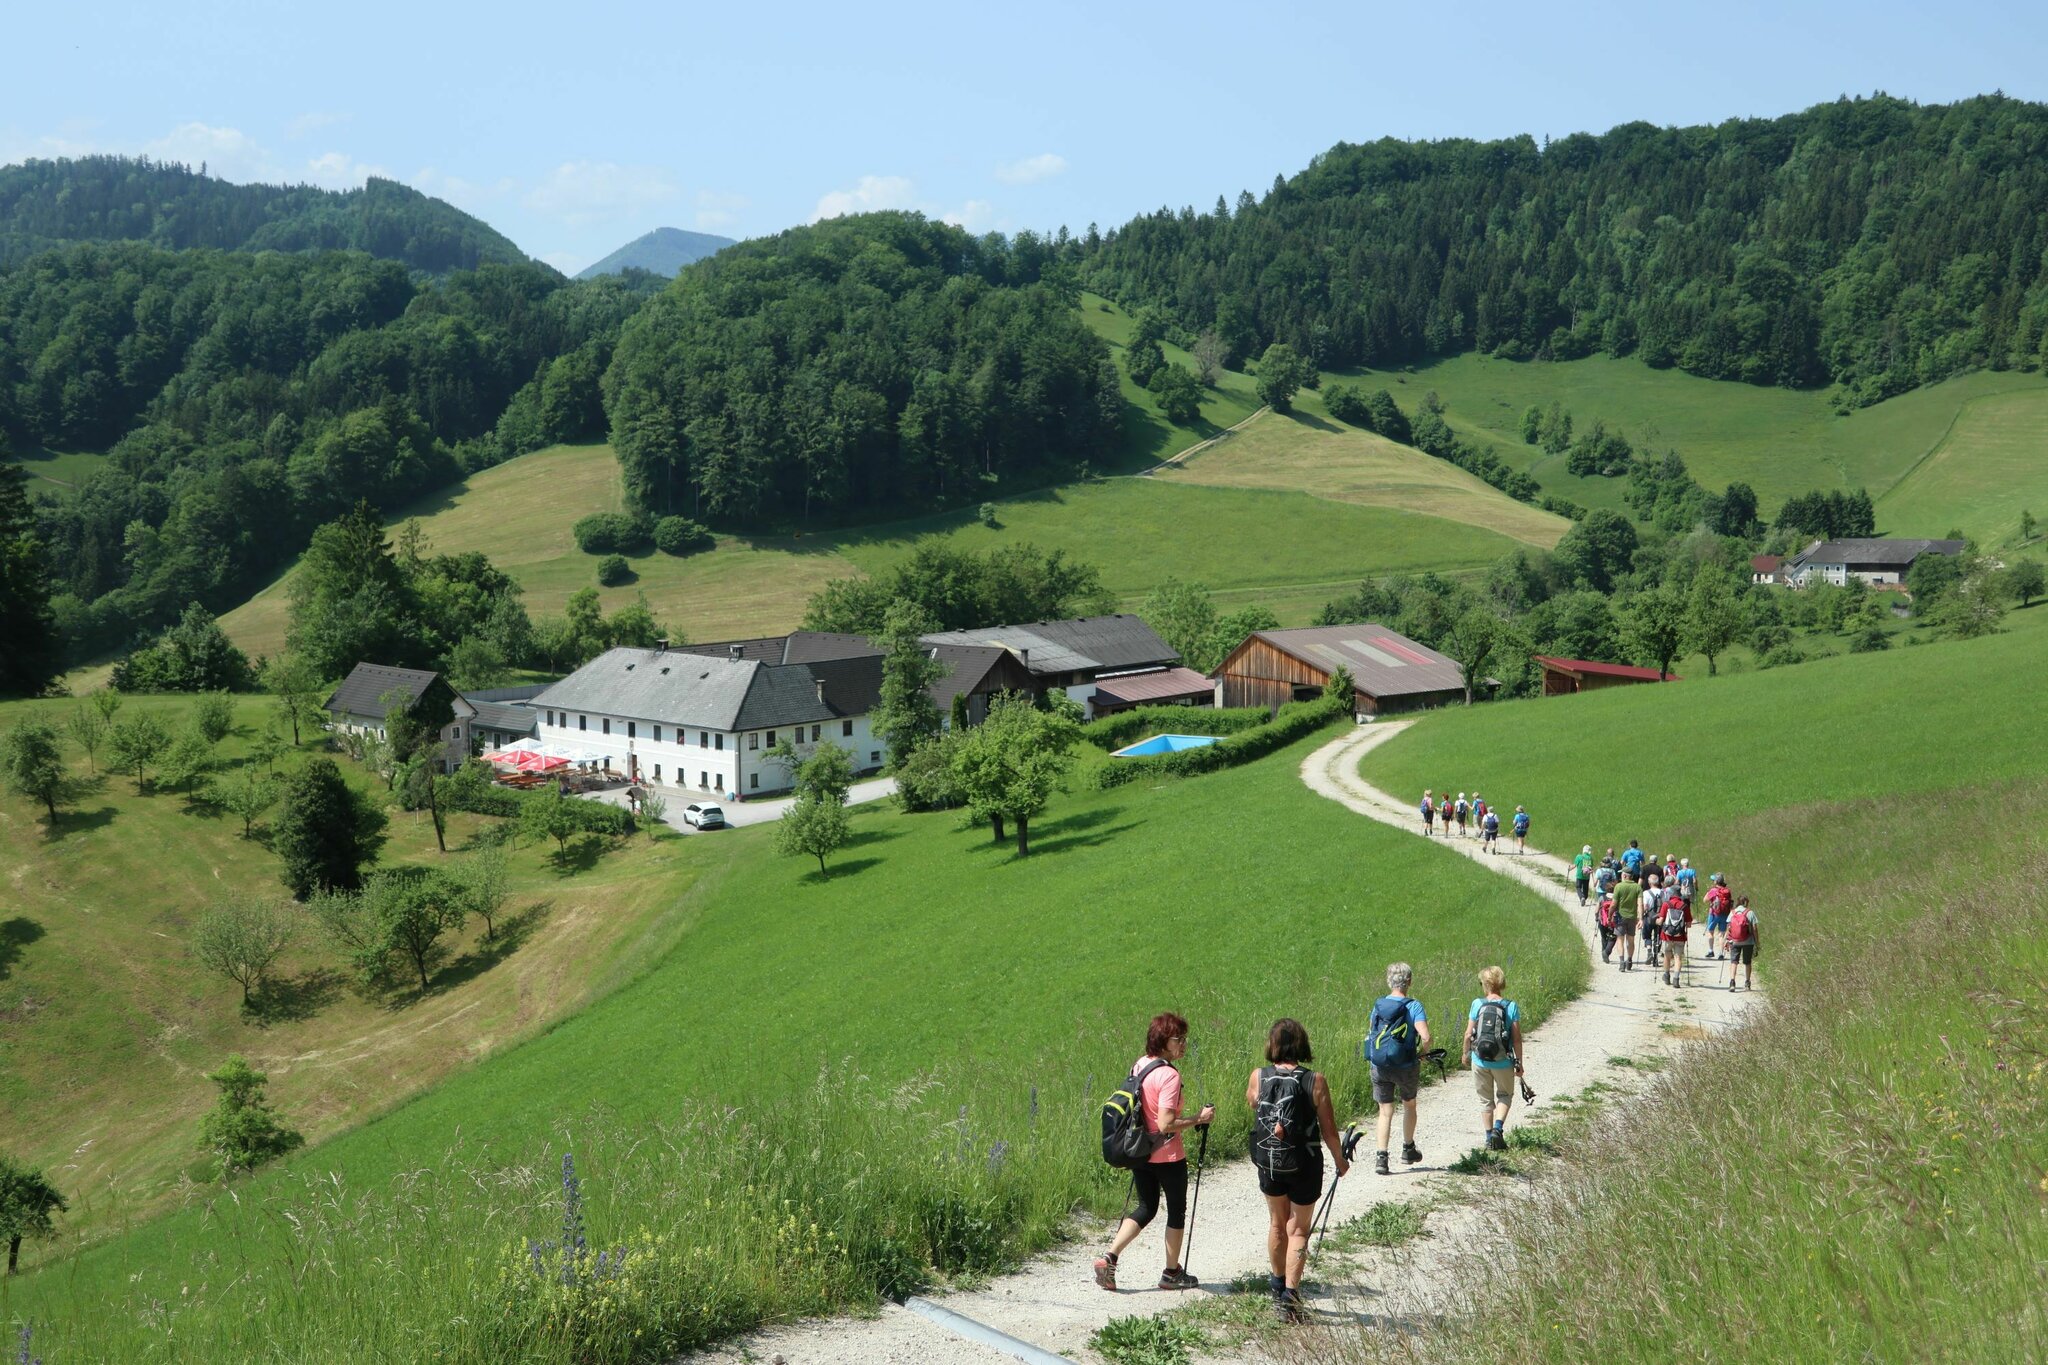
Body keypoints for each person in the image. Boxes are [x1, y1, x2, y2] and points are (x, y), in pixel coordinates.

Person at [1093, 1013, 1216, 1292]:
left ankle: (1110, 1257)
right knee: (1176, 1212)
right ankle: (1171, 1273)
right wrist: (1199, 1118)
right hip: (1168, 1156)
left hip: (1140, 1152)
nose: (1183, 1044)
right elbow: (1166, 1123)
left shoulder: (1141, 1064)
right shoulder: (1169, 1075)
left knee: (1146, 1207)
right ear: (1163, 1041)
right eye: (1178, 1039)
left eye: (1185, 1039)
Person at [1248, 1018, 1348, 1320]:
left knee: (1277, 1225)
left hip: (1269, 1162)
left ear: (1272, 1045)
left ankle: (1276, 1287)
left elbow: (1255, 1105)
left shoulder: (1258, 1076)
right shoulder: (1315, 1080)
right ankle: (1291, 1297)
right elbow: (1329, 1131)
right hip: (1305, 1161)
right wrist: (1340, 1161)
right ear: (1301, 1044)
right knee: (1299, 1229)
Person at [1366, 963, 1432, 1176]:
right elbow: (1426, 1037)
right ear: (1409, 982)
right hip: (1405, 1065)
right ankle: (1407, 1148)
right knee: (1409, 1105)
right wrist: (1422, 1053)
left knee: (1385, 1111)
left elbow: (1372, 1032)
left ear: (1389, 981)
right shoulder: (1414, 1006)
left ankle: (1381, 1158)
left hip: (1379, 1065)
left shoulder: (1378, 1005)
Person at [1462, 966, 1526, 1151]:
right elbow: (1516, 1038)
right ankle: (1498, 1128)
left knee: (1485, 1100)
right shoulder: (1510, 1006)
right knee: (1505, 1095)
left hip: (1480, 1059)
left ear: (1485, 984)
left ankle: (1489, 1137)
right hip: (1503, 1061)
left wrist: (1466, 1054)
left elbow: (1468, 1034)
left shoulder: (1477, 1004)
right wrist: (1519, 1062)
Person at [1657, 881, 1693, 987]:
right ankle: (1676, 978)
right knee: (1678, 957)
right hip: (1680, 936)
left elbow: (1660, 921)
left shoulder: (1666, 904)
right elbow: (1689, 924)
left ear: (1671, 893)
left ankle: (1667, 975)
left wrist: (1656, 922)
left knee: (1667, 955)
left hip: (1667, 935)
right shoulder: (1684, 906)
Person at [1725, 896, 1760, 991]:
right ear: (1746, 903)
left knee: (1734, 962)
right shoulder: (1750, 913)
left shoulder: (1732, 912)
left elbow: (1728, 928)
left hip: (1734, 941)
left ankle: (1732, 982)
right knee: (1747, 962)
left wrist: (1726, 941)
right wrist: (1757, 943)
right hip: (1748, 941)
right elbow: (1755, 929)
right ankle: (1747, 983)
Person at [1612, 870, 1642, 971]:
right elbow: (1640, 904)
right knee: (1631, 940)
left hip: (1620, 917)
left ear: (1624, 875)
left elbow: (1613, 904)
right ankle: (1629, 960)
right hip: (1632, 917)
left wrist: (1609, 915)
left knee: (1620, 939)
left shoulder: (1619, 886)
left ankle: (1621, 962)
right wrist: (1641, 918)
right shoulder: (1637, 887)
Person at [1703, 874, 1733, 959]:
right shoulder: (1727, 891)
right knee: (1721, 934)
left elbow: (1704, 900)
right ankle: (1721, 953)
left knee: (1710, 932)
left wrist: (1708, 892)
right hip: (1724, 914)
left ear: (1716, 881)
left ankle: (1711, 951)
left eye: (1713, 880)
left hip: (1714, 914)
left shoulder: (1713, 890)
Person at [1595, 889, 1618, 963]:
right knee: (1613, 938)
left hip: (1602, 921)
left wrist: (1596, 917)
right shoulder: (1616, 898)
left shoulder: (1602, 897)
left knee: (1604, 937)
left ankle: (1604, 952)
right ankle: (1606, 952)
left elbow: (1596, 910)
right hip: (1613, 922)